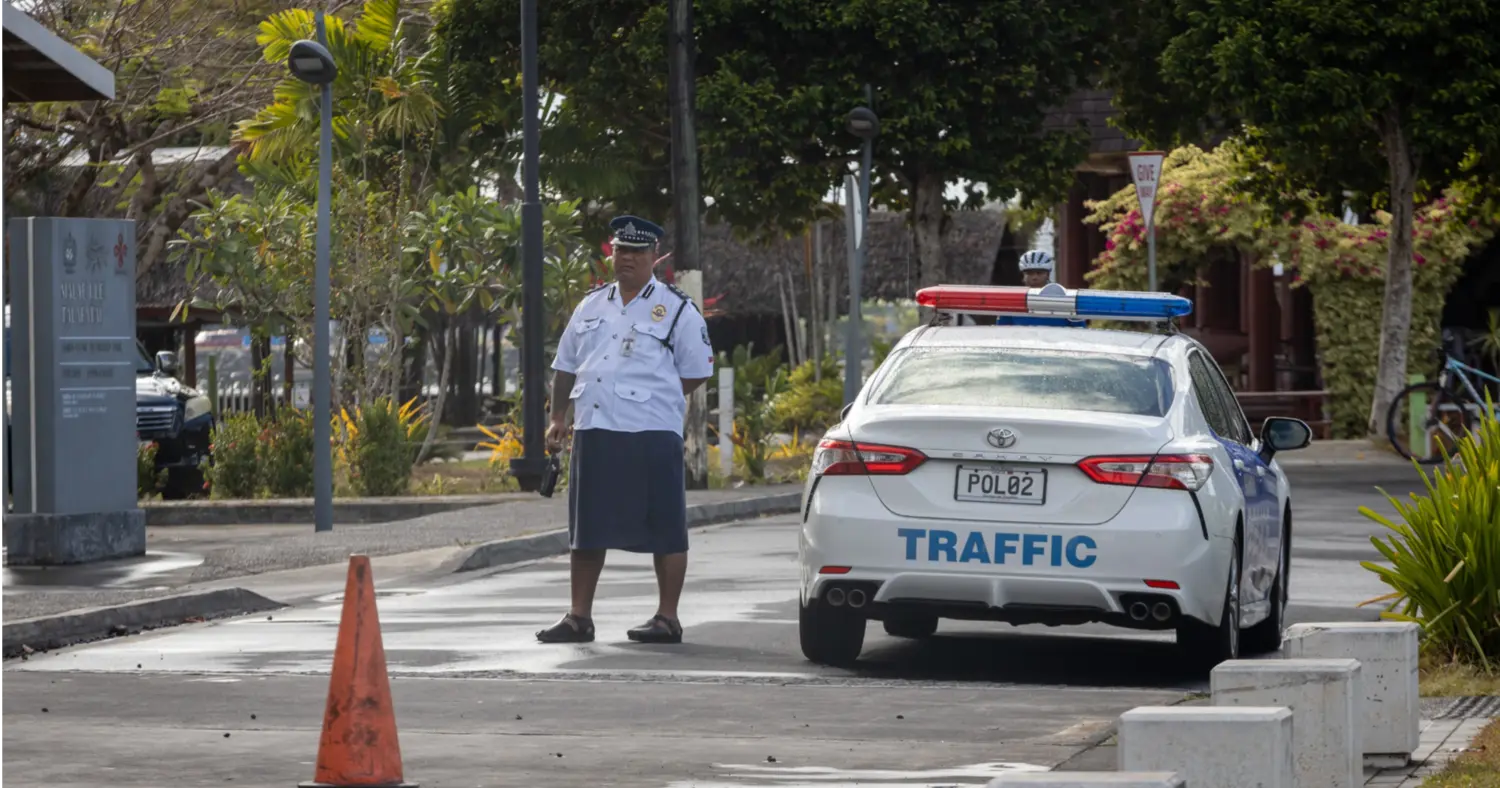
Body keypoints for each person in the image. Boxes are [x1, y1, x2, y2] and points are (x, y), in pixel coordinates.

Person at [538, 214, 715, 645]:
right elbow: (565, 365)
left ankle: (666, 618)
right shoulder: (591, 305)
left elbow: (696, 370)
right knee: (587, 528)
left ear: (655, 256)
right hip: (596, 427)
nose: (627, 258)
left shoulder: (676, 308)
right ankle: (579, 617)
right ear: (611, 254)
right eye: (620, 250)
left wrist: (657, 395)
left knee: (665, 525)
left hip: (651, 431)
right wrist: (558, 417)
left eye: (636, 251)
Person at [995, 250, 1085, 328]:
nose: (1035, 277)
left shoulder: (1064, 298)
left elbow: (1080, 331)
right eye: (1030, 273)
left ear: (1048, 274)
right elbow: (1003, 333)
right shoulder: (1013, 301)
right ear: (1023, 275)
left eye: (1039, 273)